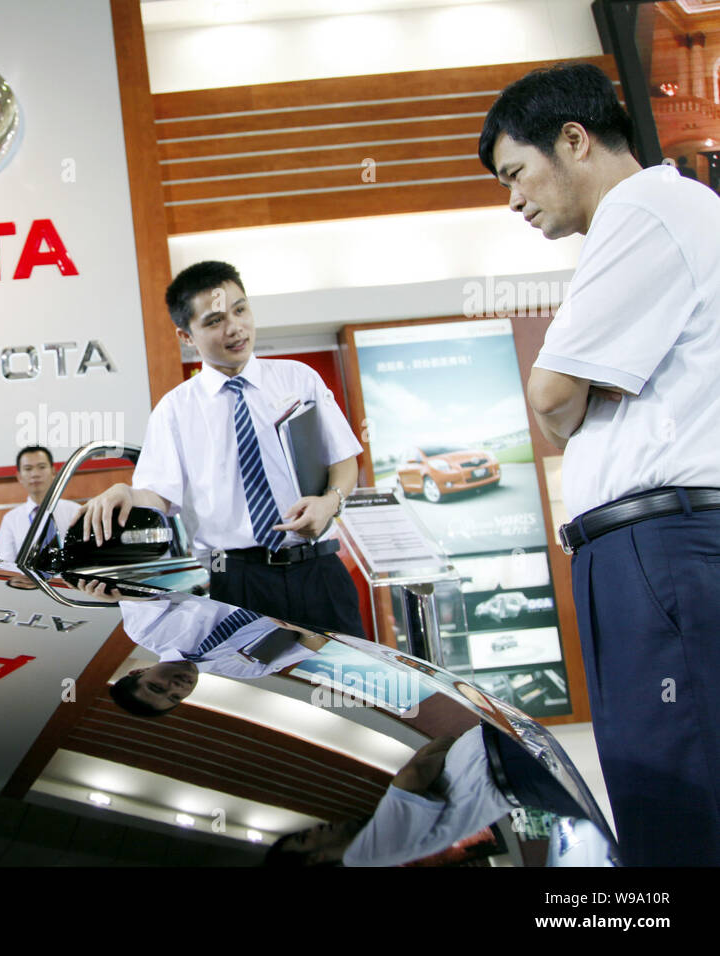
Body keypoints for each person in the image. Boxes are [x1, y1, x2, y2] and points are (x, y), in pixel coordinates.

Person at [479, 61, 720, 865]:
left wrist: (573, 394)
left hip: (659, 549)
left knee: (676, 798)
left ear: (574, 140)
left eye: (515, 173)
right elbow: (563, 405)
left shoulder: (643, 209)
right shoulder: (668, 211)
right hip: (654, 550)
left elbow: (549, 398)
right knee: (672, 785)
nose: (514, 201)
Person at [78, 261, 366, 636]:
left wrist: (330, 502)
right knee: (248, 675)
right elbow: (159, 495)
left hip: (319, 569)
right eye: (214, 321)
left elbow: (343, 461)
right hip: (234, 578)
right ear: (186, 335)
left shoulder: (299, 379)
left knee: (345, 674)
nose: (234, 328)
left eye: (240, 310)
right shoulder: (175, 410)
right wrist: (127, 493)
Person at [266, 722, 593, 866]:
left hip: (507, 765)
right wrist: (435, 758)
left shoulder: (368, 848)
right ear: (315, 859)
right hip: (509, 770)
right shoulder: (363, 856)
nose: (317, 828)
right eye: (305, 839)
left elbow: (430, 757)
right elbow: (413, 775)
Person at [75, 578, 323, 716]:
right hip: (303, 588)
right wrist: (303, 628)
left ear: (138, 672)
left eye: (157, 686)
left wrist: (118, 595)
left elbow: (145, 591)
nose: (176, 687)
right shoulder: (247, 670)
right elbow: (314, 643)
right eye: (175, 697)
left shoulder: (145, 632)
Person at [0, 445, 81, 563]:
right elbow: (4, 564)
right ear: (19, 477)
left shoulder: (75, 511)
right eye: (28, 469)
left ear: (53, 472)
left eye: (41, 467)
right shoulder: (11, 519)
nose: (35, 474)